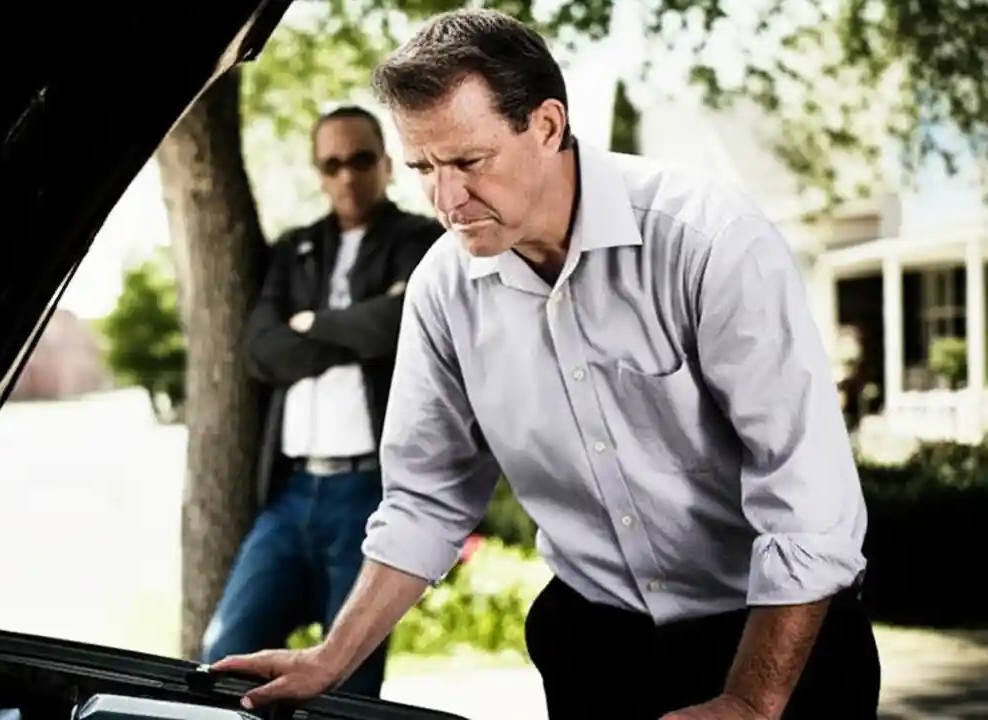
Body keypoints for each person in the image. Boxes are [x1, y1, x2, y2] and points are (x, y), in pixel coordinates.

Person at [212, 10, 881, 719]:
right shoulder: (443, 288)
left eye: (468, 162)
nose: (446, 200)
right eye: (423, 169)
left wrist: (750, 701)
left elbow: (805, 495)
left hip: (778, 640)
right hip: (598, 650)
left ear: (548, 125)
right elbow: (426, 500)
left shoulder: (707, 241)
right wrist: (331, 658)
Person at [198, 105, 444, 698]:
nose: (347, 176)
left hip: (368, 495)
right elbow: (262, 350)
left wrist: (310, 323)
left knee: (348, 688)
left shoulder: (420, 240)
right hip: (289, 495)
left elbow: (397, 323)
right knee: (225, 658)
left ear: (386, 164)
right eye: (332, 165)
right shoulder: (296, 249)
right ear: (319, 173)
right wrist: (352, 330)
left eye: (360, 160)